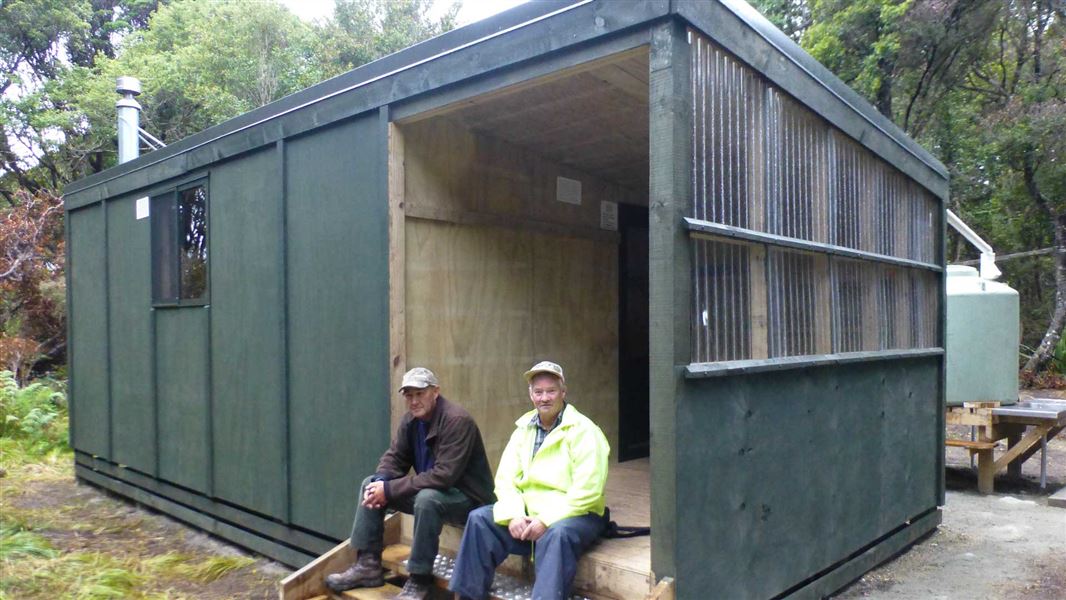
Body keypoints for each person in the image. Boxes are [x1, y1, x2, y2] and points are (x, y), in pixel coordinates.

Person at [325, 367, 495, 600]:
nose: (414, 401)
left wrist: (391, 489)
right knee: (370, 484)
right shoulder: (411, 421)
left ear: (435, 392)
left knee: (427, 499)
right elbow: (395, 457)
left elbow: (444, 475)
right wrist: (381, 482)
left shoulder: (457, 420)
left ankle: (419, 579)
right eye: (409, 395)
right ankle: (368, 565)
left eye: (420, 394)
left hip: (469, 499)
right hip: (435, 493)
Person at [449, 361, 610, 600]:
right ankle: (468, 596)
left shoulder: (585, 431)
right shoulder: (523, 430)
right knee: (479, 519)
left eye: (551, 391)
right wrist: (513, 514)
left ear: (563, 392)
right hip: (527, 514)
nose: (544, 398)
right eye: (538, 392)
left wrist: (545, 520)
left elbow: (588, 491)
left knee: (557, 535)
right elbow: (505, 480)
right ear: (531, 395)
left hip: (576, 515)